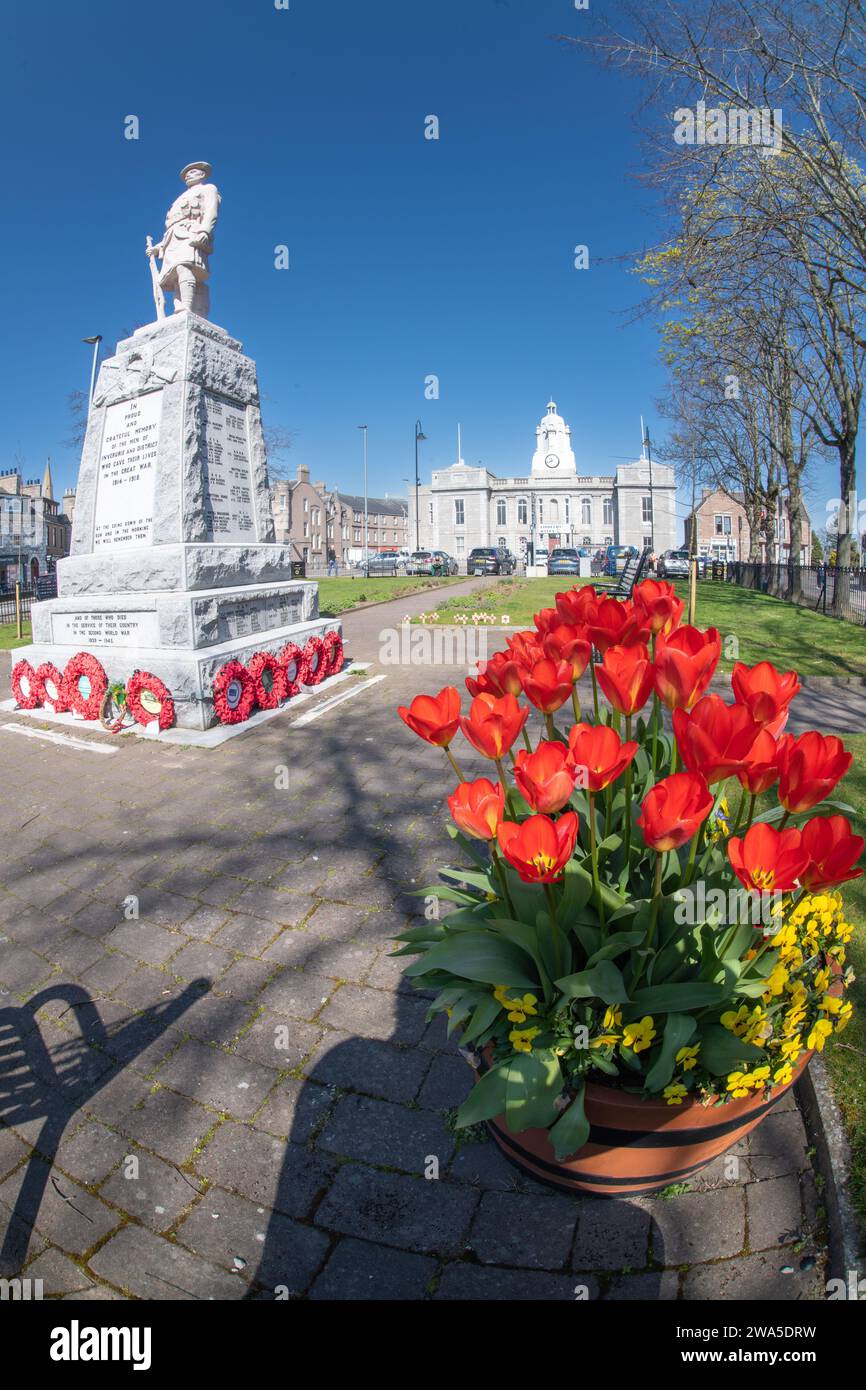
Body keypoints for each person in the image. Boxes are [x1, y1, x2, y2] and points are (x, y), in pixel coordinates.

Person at [146, 162, 220, 317]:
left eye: (192, 172)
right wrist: (159, 247)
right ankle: (180, 310)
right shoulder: (179, 198)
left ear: (202, 174)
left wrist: (205, 231)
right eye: (186, 174)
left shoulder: (208, 189)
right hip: (173, 238)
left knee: (183, 267)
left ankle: (186, 307)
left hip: (191, 232)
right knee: (175, 277)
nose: (188, 175)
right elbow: (173, 225)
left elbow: (211, 211)